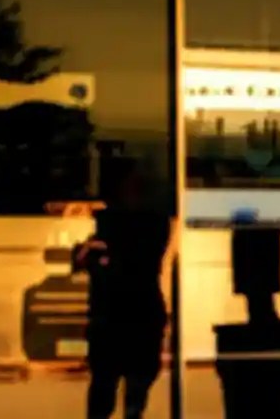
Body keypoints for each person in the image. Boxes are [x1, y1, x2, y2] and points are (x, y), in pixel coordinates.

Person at [73, 157, 171, 419]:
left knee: (113, 388)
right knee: (120, 389)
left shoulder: (130, 223)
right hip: (131, 315)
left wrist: (100, 256)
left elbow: (104, 260)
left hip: (123, 315)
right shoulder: (148, 223)